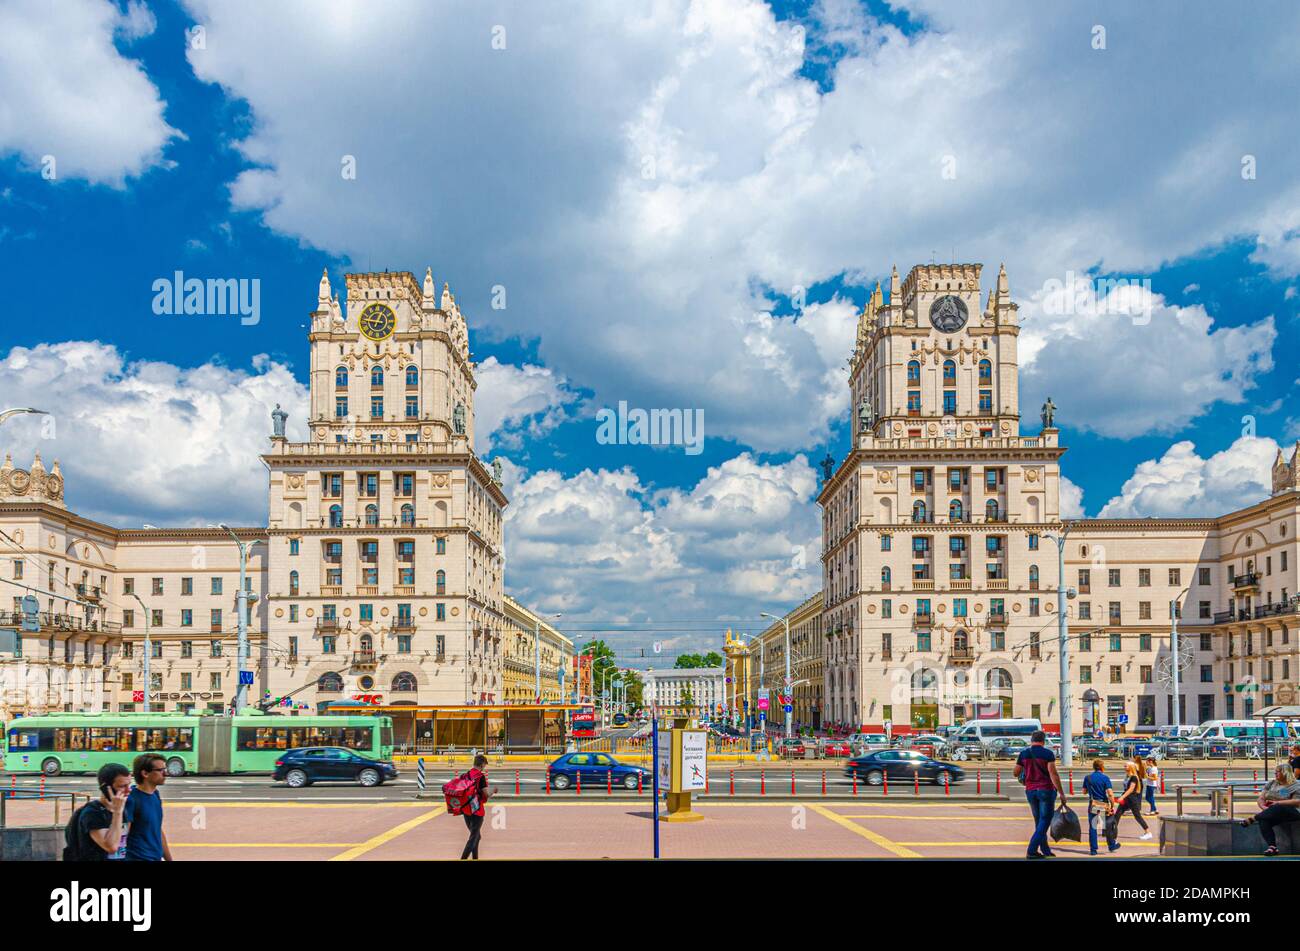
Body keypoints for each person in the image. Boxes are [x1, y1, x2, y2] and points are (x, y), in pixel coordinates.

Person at [1013, 730, 1067, 859]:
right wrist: (1061, 793)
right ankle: (1032, 850)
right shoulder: (1047, 754)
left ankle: (1045, 849)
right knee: (1045, 820)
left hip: (1030, 791)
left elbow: (1015, 773)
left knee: (1039, 821)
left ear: (1032, 740)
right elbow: (1053, 774)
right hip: (1046, 790)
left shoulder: (1024, 754)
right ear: (1043, 740)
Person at [1239, 763, 1300, 856]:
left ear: (1285, 773)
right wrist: (1263, 807)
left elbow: (1297, 801)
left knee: (1279, 806)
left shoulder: (1296, 785)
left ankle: (1254, 818)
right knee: (1263, 820)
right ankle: (1272, 847)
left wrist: (1278, 803)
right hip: (1273, 811)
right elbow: (1261, 798)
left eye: (1277, 772)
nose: (1275, 773)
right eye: (1275, 772)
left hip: (1292, 811)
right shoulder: (1272, 783)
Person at [76, 763, 132, 861]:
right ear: (106, 788)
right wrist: (117, 812)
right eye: (122, 786)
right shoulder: (92, 813)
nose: (128, 790)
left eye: (129, 785)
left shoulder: (123, 808)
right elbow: (111, 847)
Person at [124, 753, 173, 861]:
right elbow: (123, 835)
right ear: (145, 773)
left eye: (165, 769)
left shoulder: (155, 794)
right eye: (160, 770)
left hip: (155, 857)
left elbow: (157, 830)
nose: (165, 773)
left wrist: (169, 859)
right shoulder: (132, 799)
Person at [459, 753, 496, 860]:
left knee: (476, 836)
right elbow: (486, 794)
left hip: (466, 810)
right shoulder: (481, 776)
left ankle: (475, 858)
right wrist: (493, 790)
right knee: (473, 838)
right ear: (482, 764)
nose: (484, 768)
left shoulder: (464, 775)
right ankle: (463, 859)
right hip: (477, 811)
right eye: (484, 765)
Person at [1081, 759, 1120, 854]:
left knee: (1093, 827)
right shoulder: (1105, 778)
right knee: (1107, 826)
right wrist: (1112, 804)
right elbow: (1110, 793)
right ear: (1102, 767)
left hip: (1093, 803)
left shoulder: (1088, 777)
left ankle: (1093, 850)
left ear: (1094, 767)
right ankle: (1111, 846)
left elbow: (1084, 791)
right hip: (1103, 804)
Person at [1112, 762, 1153, 840]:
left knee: (1137, 816)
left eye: (1126, 765)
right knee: (1117, 814)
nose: (1124, 767)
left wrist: (1122, 797)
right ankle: (1113, 832)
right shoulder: (1127, 776)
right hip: (1126, 799)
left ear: (1130, 767)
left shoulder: (1134, 777)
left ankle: (1148, 832)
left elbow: (1131, 789)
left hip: (1131, 799)